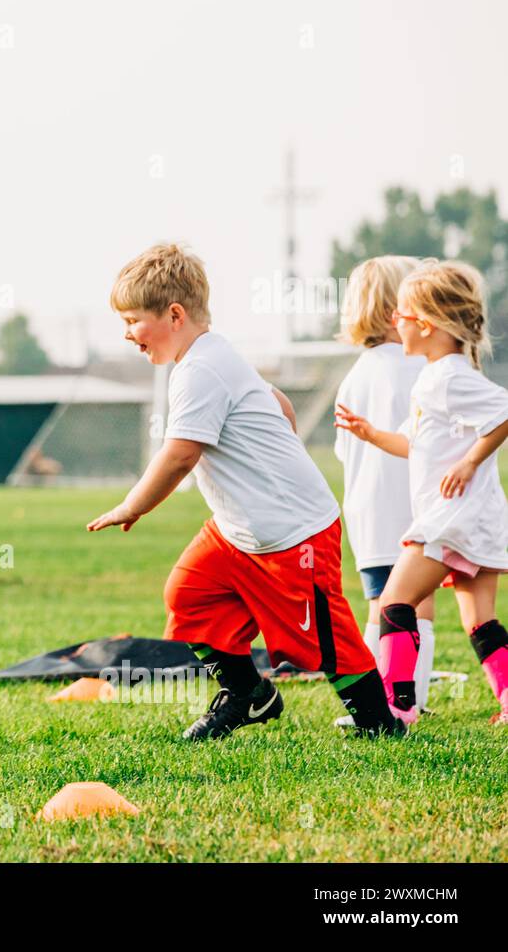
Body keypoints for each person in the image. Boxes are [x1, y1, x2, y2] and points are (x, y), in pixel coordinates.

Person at [87, 243, 401, 739]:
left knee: (325, 640)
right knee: (189, 595)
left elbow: (180, 454)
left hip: (294, 532)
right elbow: (275, 404)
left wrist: (132, 504)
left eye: (132, 321)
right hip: (238, 533)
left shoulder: (200, 369)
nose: (127, 334)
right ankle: (250, 695)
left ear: (174, 314)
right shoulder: (212, 354)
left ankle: (378, 723)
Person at [336, 260, 508, 726]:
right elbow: (414, 443)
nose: (396, 322)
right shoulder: (434, 376)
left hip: (448, 519)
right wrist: (372, 435)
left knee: (394, 604)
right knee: (481, 623)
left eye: (403, 315)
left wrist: (470, 460)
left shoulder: (448, 376)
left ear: (426, 325)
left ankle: (398, 707)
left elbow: (504, 411)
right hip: (475, 520)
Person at [332, 256, 436, 725]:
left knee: (379, 606)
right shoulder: (420, 369)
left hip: (367, 513)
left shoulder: (354, 375)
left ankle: (376, 707)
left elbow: (342, 450)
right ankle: (408, 700)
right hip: (416, 508)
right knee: (420, 605)